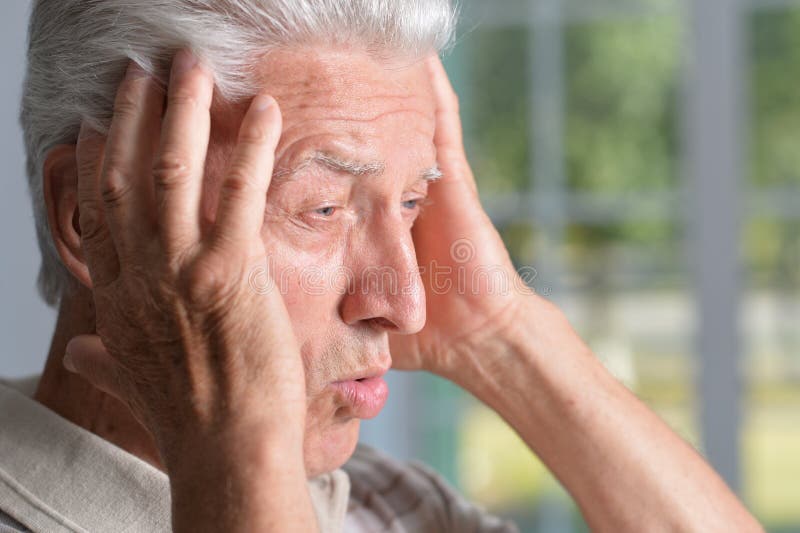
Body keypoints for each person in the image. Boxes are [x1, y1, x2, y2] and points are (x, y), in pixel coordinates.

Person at [0, 1, 764, 531]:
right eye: (323, 208)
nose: (403, 302)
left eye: (408, 202)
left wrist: (501, 333)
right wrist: (237, 451)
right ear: (88, 215)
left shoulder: (391, 508)